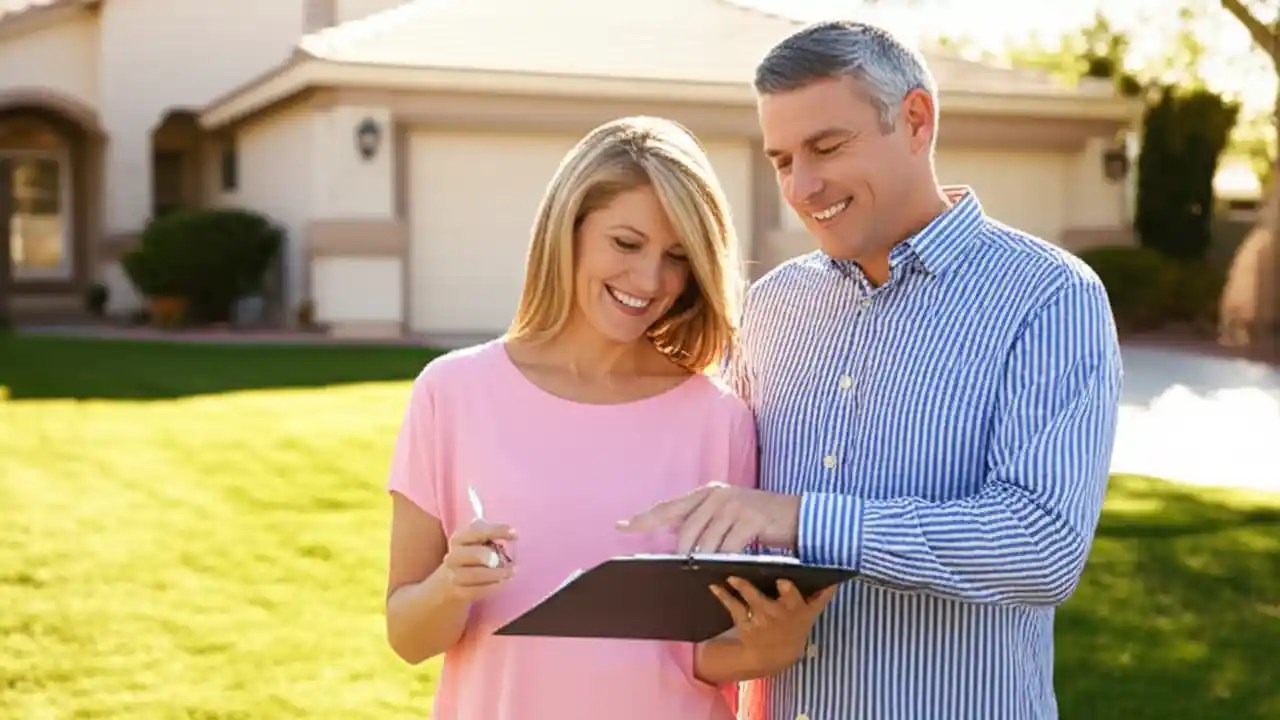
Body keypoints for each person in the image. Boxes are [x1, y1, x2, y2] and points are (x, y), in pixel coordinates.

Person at [617, 21, 1124, 720]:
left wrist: (804, 520)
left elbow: (1039, 545)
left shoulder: (1047, 297)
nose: (803, 185)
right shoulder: (772, 307)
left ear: (916, 120)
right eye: (782, 158)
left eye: (827, 147)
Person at [382, 115, 835, 720]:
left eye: (677, 256)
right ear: (568, 230)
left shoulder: (718, 418)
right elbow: (408, 637)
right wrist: (450, 586)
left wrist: (769, 648)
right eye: (626, 243)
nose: (649, 280)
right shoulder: (451, 392)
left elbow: (695, 656)